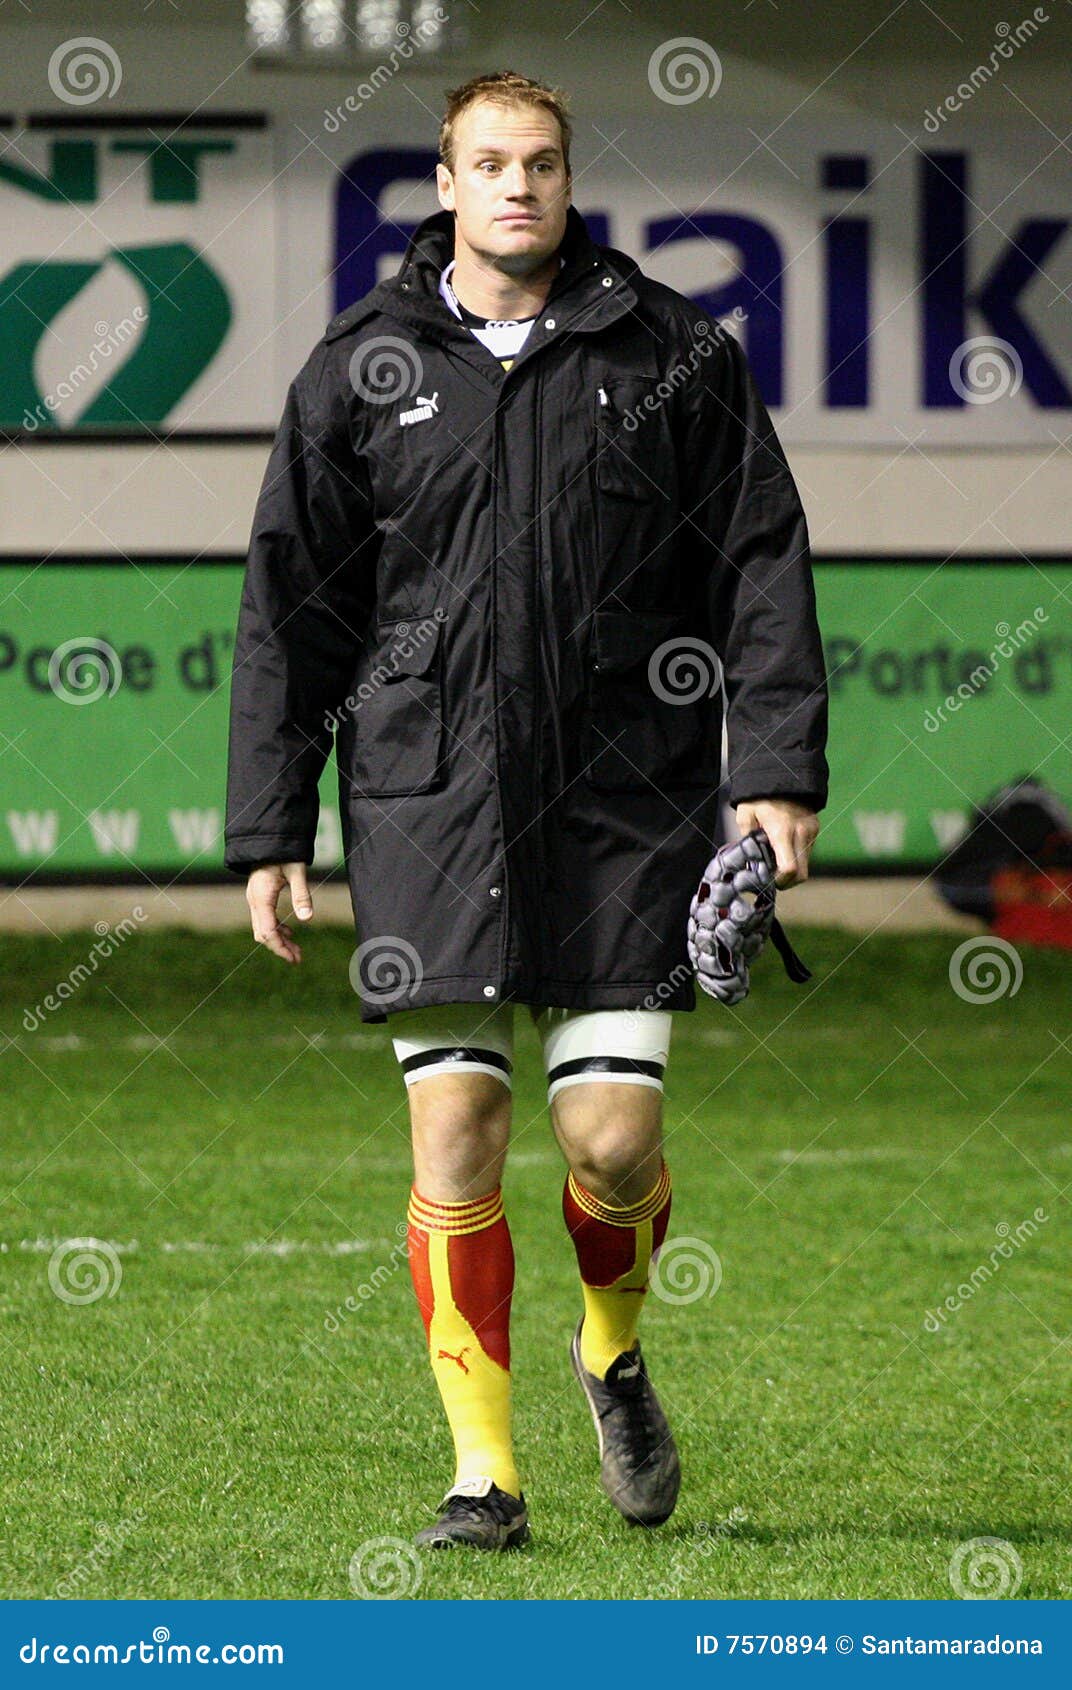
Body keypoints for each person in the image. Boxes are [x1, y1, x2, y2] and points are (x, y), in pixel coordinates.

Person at [225, 70, 828, 1552]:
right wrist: (268, 823)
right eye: (488, 162)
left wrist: (776, 770)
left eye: (541, 163)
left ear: (570, 181)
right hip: (426, 787)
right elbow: (292, 602)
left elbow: (759, 556)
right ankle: (485, 1475)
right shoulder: (359, 366)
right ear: (442, 178)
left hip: (627, 790)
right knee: (463, 1131)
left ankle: (612, 1347)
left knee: (613, 1143)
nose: (516, 186)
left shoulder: (675, 353)